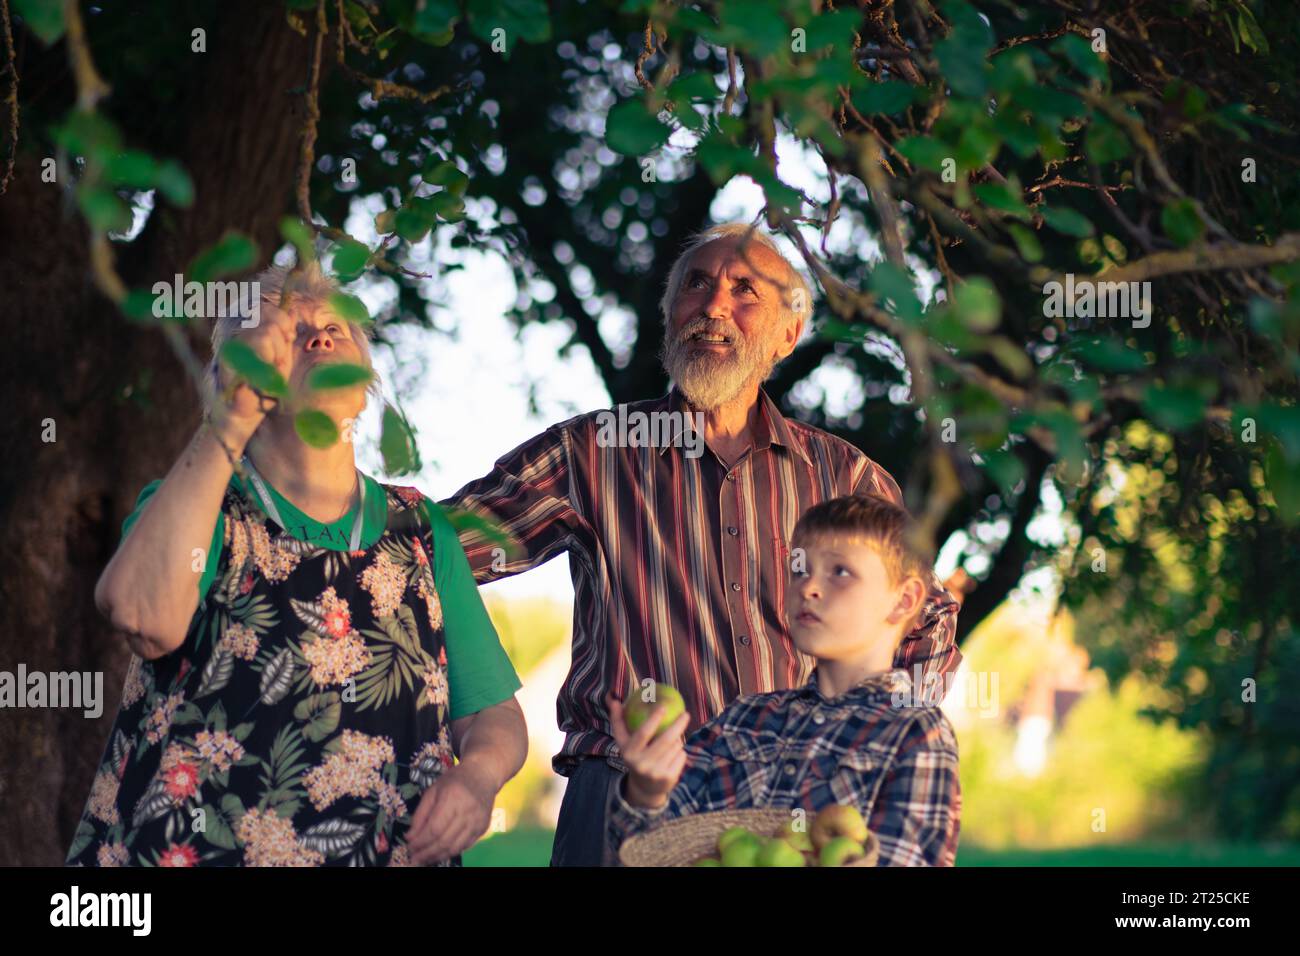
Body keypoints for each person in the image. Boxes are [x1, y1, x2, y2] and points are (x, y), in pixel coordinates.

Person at [441, 222, 963, 866]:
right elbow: (429, 555)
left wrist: (863, 742)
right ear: (670, 318)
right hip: (621, 805)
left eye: (745, 290)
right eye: (696, 285)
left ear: (787, 336)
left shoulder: (845, 476)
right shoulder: (591, 454)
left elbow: (928, 617)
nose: (714, 305)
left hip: (793, 809)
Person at [67, 261, 526, 867]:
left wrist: (478, 779)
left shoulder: (420, 530)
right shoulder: (199, 509)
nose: (320, 336)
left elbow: (491, 713)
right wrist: (232, 417)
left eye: (335, 326)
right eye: (286, 333)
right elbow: (137, 613)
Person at [607, 495, 961, 867]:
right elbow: (656, 850)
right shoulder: (743, 719)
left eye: (839, 571)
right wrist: (647, 792)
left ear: (904, 600)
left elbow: (911, 857)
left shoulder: (917, 731)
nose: (808, 587)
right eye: (799, 570)